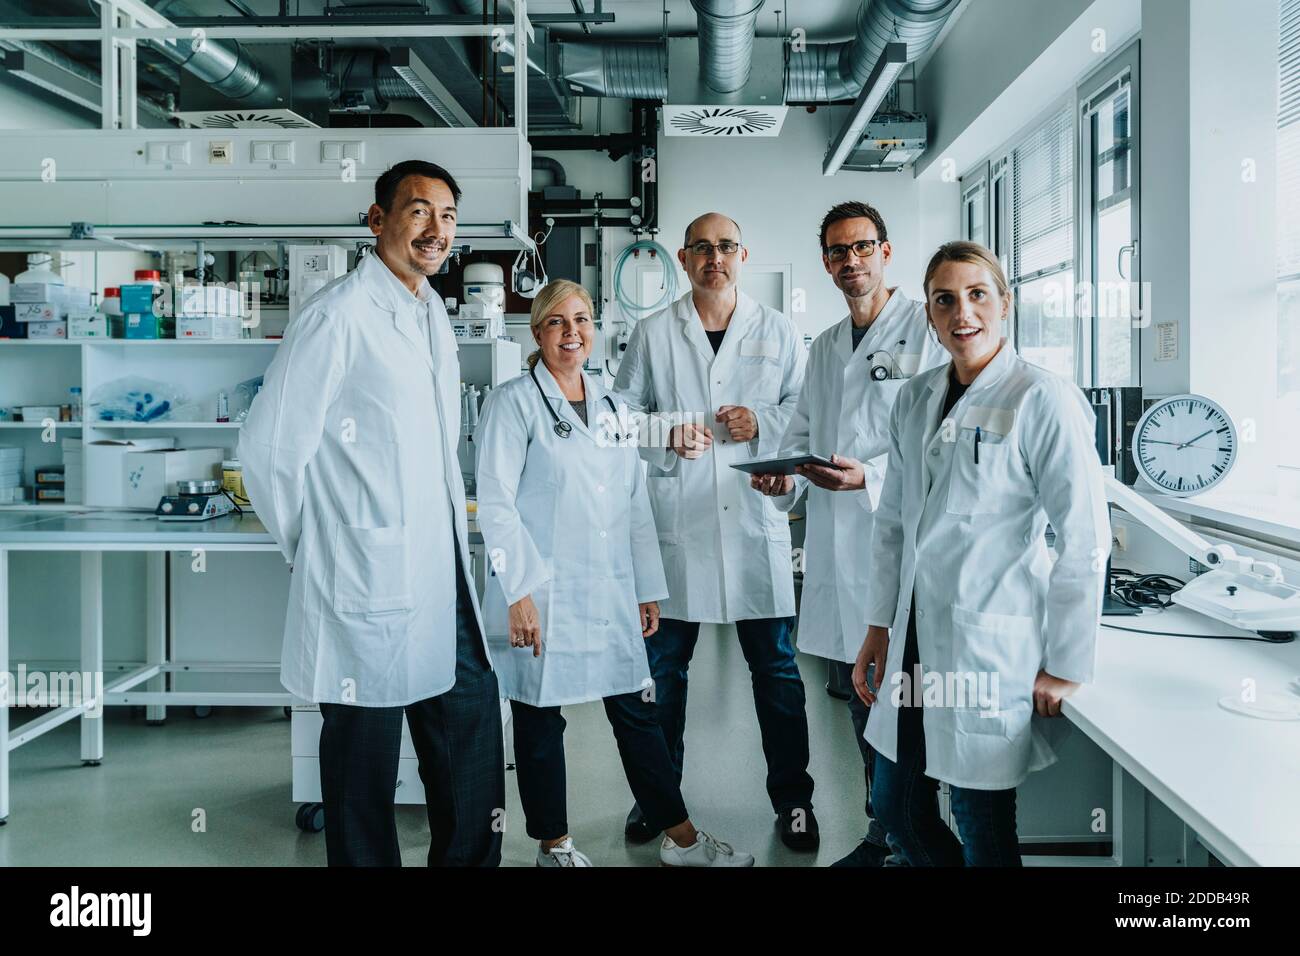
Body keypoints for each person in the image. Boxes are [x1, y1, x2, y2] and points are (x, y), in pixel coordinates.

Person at [240, 160, 504, 867]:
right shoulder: (337, 317)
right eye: (417, 211)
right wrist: (322, 545)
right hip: (362, 579)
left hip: (438, 570)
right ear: (377, 219)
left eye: (447, 216)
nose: (436, 229)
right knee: (363, 763)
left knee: (470, 728)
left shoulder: (429, 318)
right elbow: (267, 453)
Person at [475, 279, 753, 867]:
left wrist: (647, 587)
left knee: (636, 712)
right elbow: (496, 506)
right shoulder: (512, 402)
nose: (571, 332)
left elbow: (633, 502)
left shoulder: (613, 406)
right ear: (537, 332)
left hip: (609, 590)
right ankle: (554, 845)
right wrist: (518, 593)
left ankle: (681, 840)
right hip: (544, 593)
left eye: (582, 320)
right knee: (539, 718)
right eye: (556, 322)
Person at [854, 241, 1110, 866]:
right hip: (915, 636)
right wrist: (878, 626)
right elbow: (892, 522)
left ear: (1005, 304)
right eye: (944, 299)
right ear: (931, 315)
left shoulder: (1041, 397)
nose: (961, 312)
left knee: (979, 818)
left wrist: (1068, 663)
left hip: (986, 640)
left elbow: (1084, 538)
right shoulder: (914, 398)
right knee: (895, 807)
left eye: (977, 295)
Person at [750, 201, 947, 867]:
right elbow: (803, 435)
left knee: (903, 713)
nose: (849, 261)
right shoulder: (828, 344)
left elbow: (941, 442)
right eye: (837, 252)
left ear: (886, 252)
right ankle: (880, 833)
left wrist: (871, 477)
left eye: (861, 247)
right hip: (839, 555)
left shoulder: (926, 331)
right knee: (863, 702)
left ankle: (909, 841)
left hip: (902, 554)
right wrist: (787, 477)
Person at [614, 212, 818, 850]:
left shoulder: (778, 329)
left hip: (754, 526)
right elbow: (621, 417)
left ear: (743, 253)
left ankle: (794, 801)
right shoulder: (653, 331)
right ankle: (657, 800)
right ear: (683, 258)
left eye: (726, 246)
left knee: (779, 675)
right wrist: (667, 434)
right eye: (702, 248)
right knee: (664, 675)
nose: (715, 258)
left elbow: (804, 415)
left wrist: (759, 422)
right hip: (681, 531)